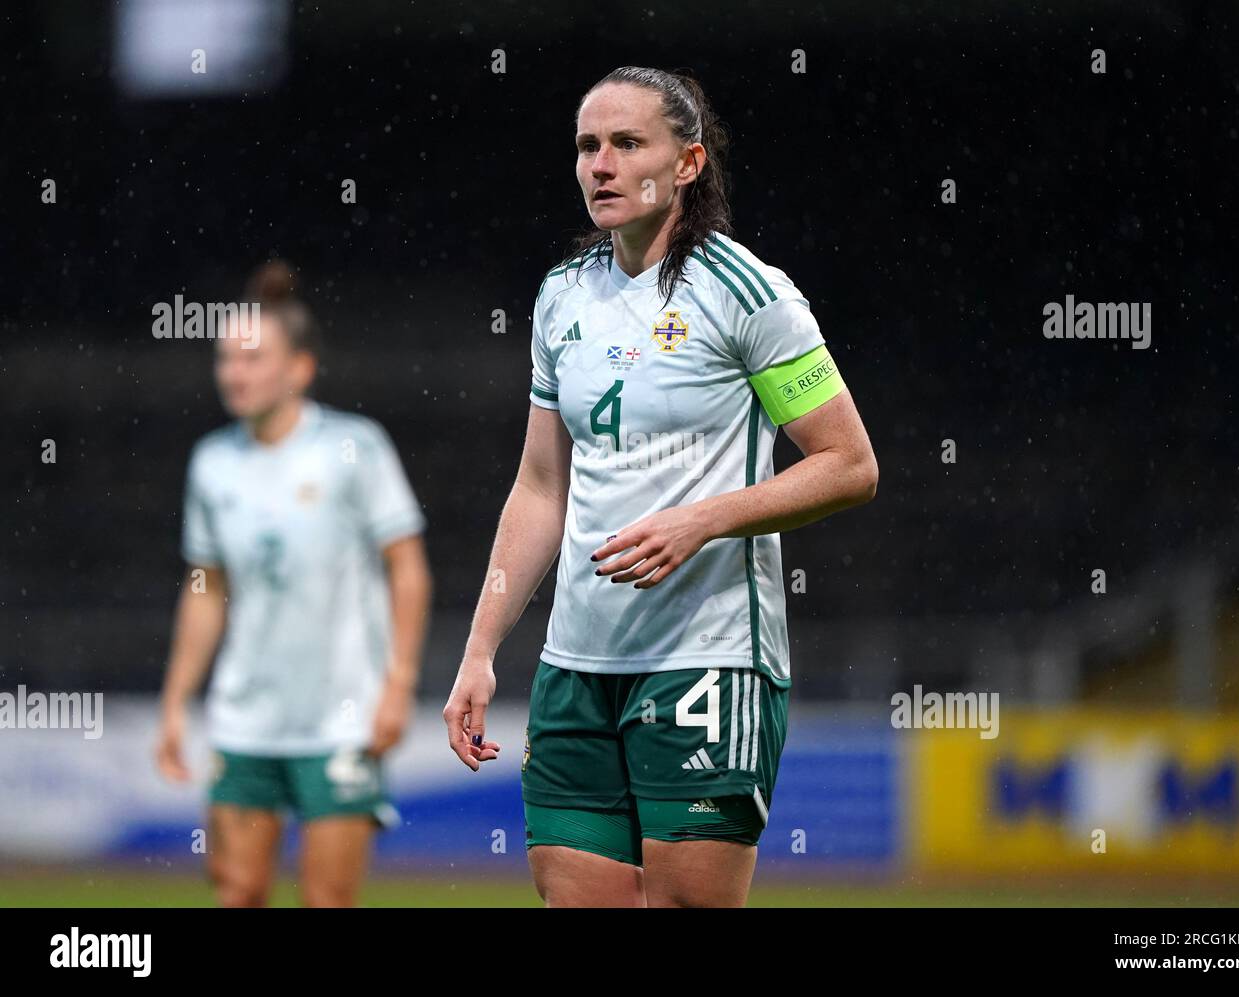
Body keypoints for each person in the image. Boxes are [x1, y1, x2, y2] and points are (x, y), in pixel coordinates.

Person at [444, 66, 878, 907]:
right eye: (586, 146)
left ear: (686, 163)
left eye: (625, 143)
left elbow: (848, 463)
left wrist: (701, 522)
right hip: (577, 666)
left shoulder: (747, 293)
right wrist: (481, 648)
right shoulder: (562, 297)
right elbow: (540, 487)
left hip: (708, 661)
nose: (599, 164)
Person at [156, 261, 432, 907]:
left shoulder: (355, 448)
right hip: (243, 717)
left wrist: (398, 684)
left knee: (326, 900)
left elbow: (407, 566)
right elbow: (204, 586)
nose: (234, 372)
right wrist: (175, 698)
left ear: (300, 368)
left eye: (253, 357)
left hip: (340, 718)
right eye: (226, 357)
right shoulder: (212, 462)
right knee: (238, 892)